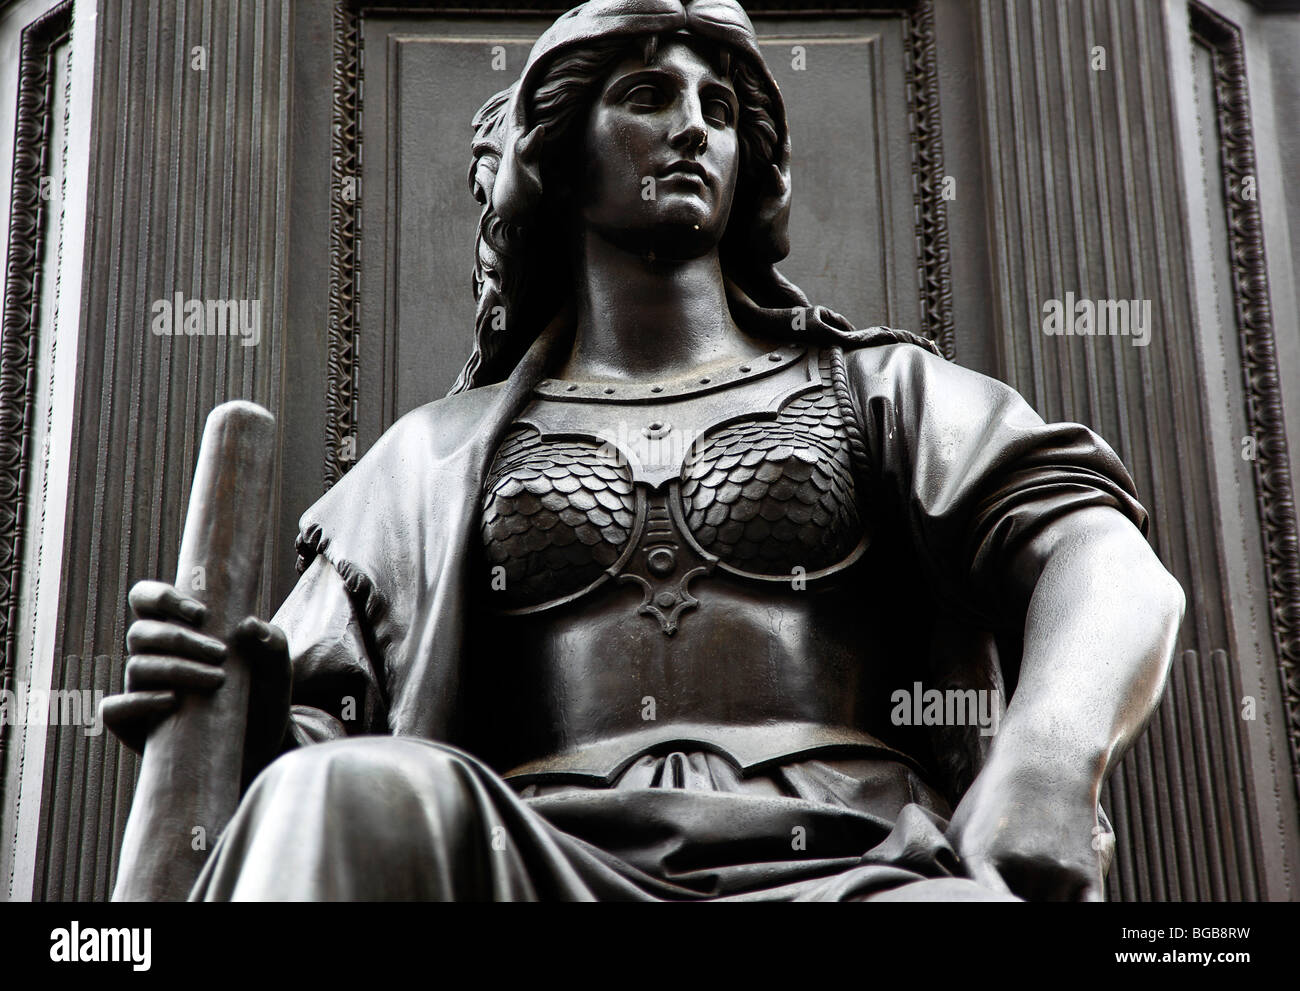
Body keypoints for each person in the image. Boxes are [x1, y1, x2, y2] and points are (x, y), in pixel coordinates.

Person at [104, 0, 1184, 901]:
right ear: (557, 152)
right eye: (648, 96)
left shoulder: (874, 389)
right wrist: (226, 711)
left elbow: (1102, 562)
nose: (693, 129)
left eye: (718, 107)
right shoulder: (427, 458)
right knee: (332, 797)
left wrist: (1049, 758)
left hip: (850, 859)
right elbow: (314, 729)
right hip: (529, 860)